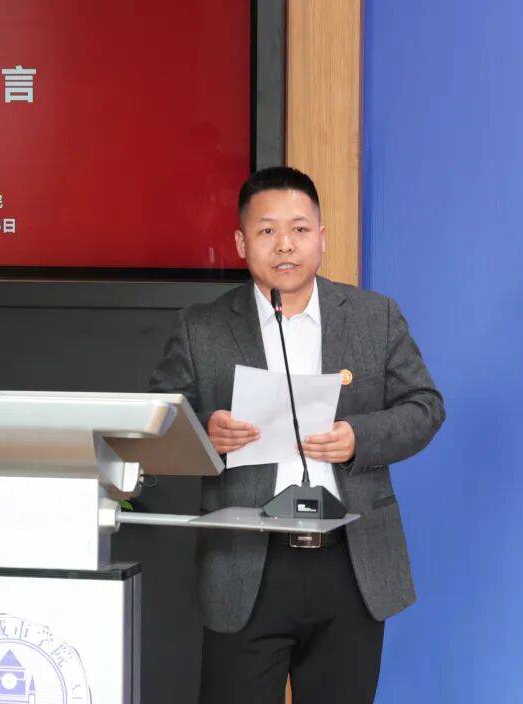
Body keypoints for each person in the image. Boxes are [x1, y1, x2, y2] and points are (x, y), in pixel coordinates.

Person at [148, 166, 444, 703]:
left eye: (300, 229)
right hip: (246, 563)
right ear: (242, 243)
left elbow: (425, 407)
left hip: (351, 562)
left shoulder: (374, 316)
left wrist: (359, 437)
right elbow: (159, 423)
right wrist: (206, 431)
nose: (285, 244)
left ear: (321, 238)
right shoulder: (201, 327)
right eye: (267, 231)